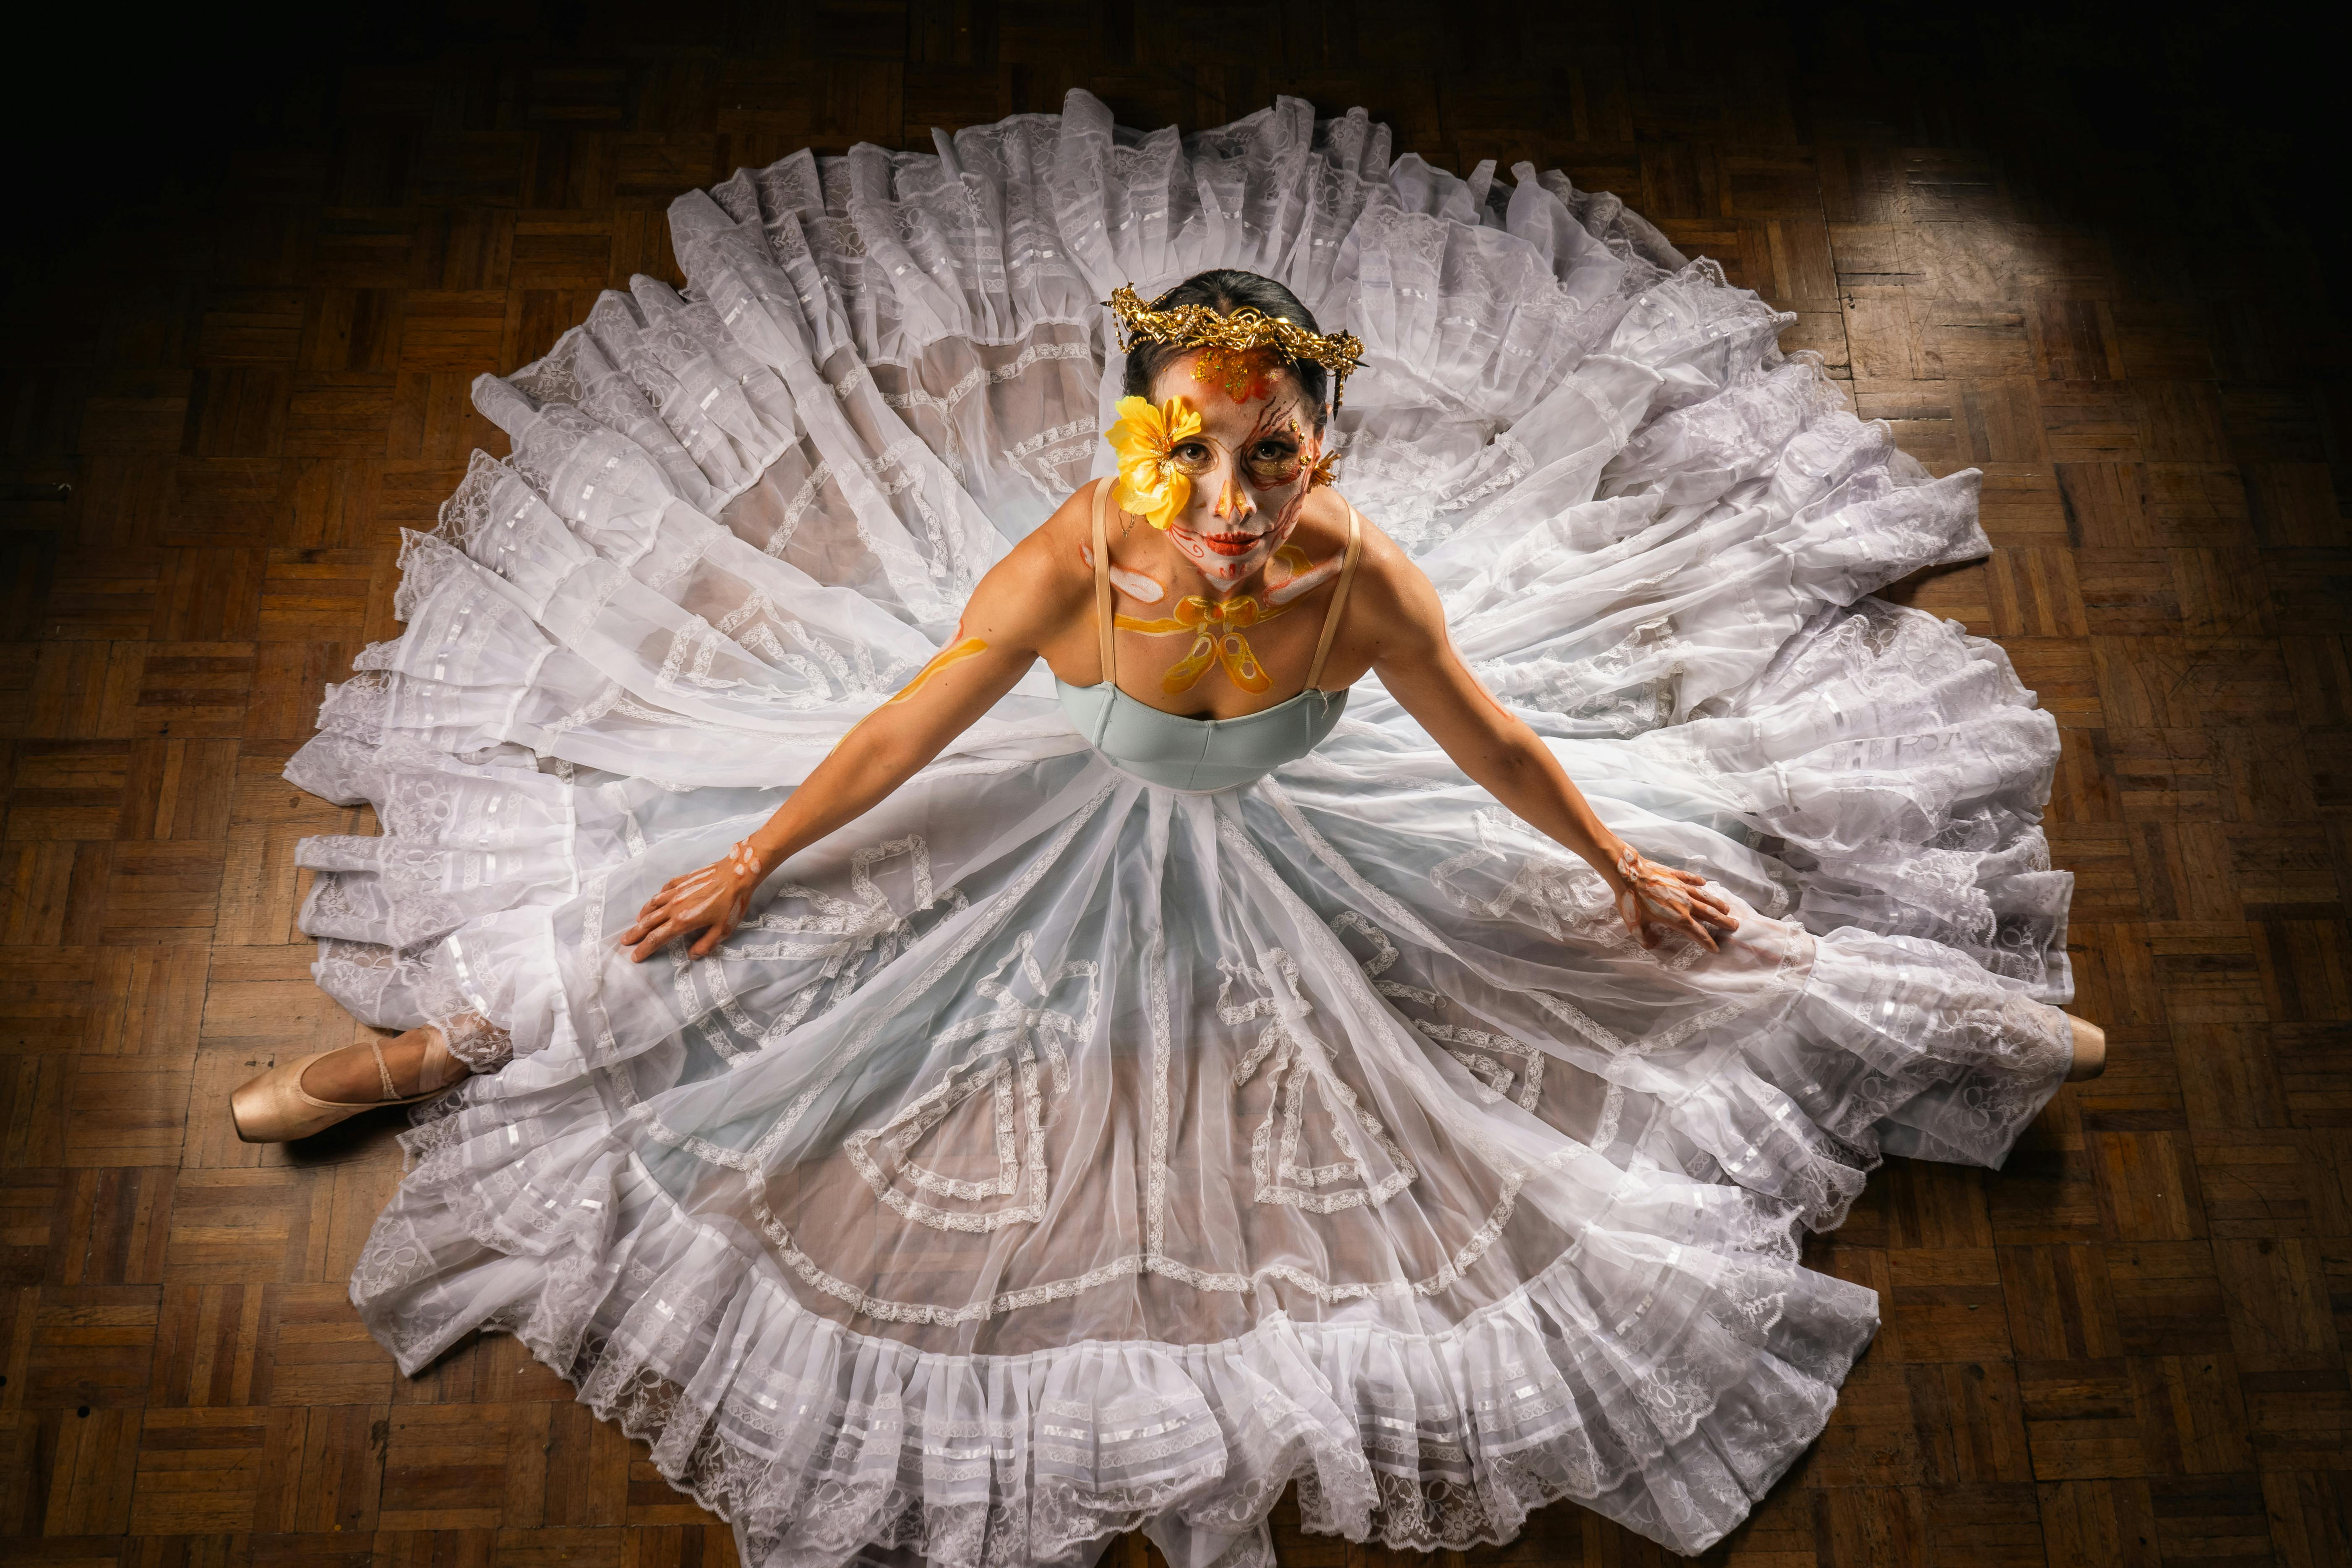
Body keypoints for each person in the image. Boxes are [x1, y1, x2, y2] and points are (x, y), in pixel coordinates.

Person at [230, 96, 2100, 1566]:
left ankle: (1915, 1010)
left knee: (1639, 942)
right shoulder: (1077, 557)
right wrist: (757, 856)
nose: (1226, 501)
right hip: (1046, 824)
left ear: (1324, 453)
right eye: (1185, 456)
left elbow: (1499, 743)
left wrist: (1619, 867)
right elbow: (915, 715)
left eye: (1270, 456)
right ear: (1131, 450)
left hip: (1311, 847)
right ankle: (444, 1050)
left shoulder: (1362, 580)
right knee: (739, 937)